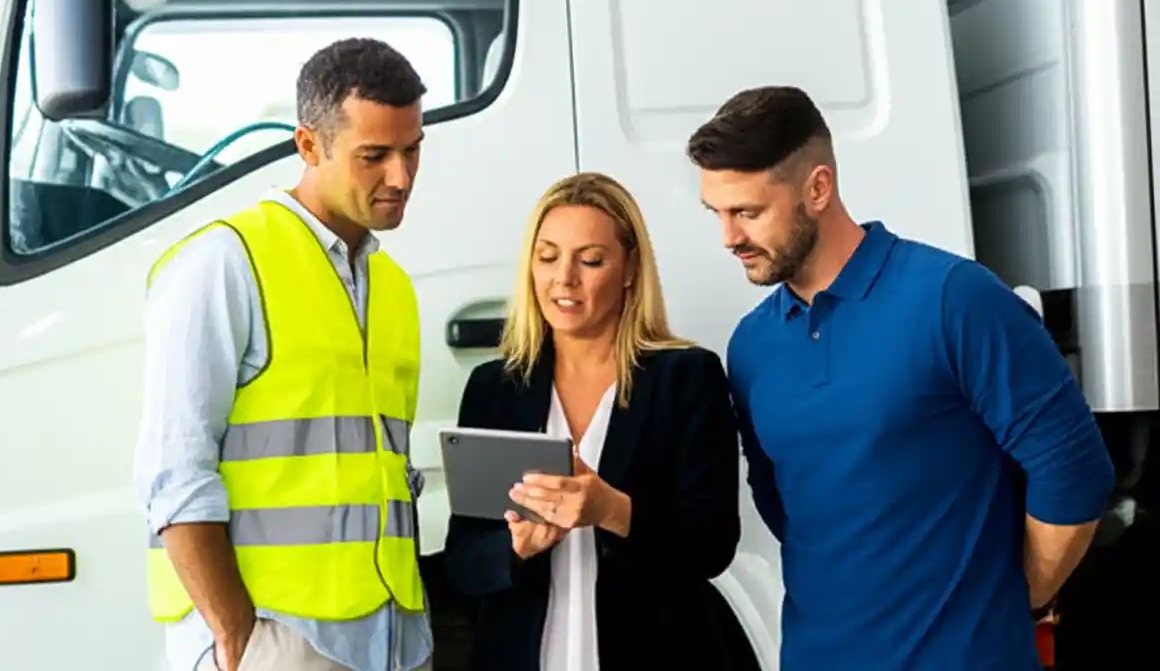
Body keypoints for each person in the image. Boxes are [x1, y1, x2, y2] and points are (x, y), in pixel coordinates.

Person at [687, 85, 1118, 670]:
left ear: (818, 188)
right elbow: (786, 506)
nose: (729, 238)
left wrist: (1018, 599)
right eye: (716, 213)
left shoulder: (953, 299)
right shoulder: (752, 346)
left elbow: (1073, 471)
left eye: (748, 212)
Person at [133, 37, 433, 671]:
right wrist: (237, 635)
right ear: (308, 145)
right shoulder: (225, 263)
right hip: (277, 640)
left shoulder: (393, 288)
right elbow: (174, 473)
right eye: (374, 156)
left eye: (412, 150)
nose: (401, 177)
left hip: (390, 638)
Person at [442, 172, 743, 671]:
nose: (564, 278)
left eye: (591, 260)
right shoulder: (494, 388)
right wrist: (514, 548)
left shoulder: (686, 378)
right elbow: (463, 563)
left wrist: (613, 510)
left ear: (629, 269)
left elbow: (712, 546)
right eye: (548, 257)